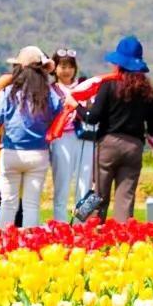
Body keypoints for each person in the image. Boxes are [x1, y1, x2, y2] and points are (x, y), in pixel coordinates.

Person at [82, 36, 153, 223]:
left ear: (118, 63)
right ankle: (123, 240)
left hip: (107, 145)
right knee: (125, 199)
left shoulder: (108, 86)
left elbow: (93, 118)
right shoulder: (147, 91)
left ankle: (92, 232)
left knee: (98, 194)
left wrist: (76, 107)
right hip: (133, 148)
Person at [0, 47, 62, 231]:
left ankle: (3, 241)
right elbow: (60, 112)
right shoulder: (48, 93)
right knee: (31, 205)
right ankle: (30, 243)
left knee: (8, 203)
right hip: (39, 153)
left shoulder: (8, 92)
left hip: (11, 152)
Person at [46, 48, 93, 223]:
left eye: (70, 66)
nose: (66, 70)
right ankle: (61, 224)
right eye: (62, 66)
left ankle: (82, 224)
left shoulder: (85, 86)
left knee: (85, 183)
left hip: (85, 137)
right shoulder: (50, 90)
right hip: (61, 139)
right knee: (62, 183)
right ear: (54, 69)